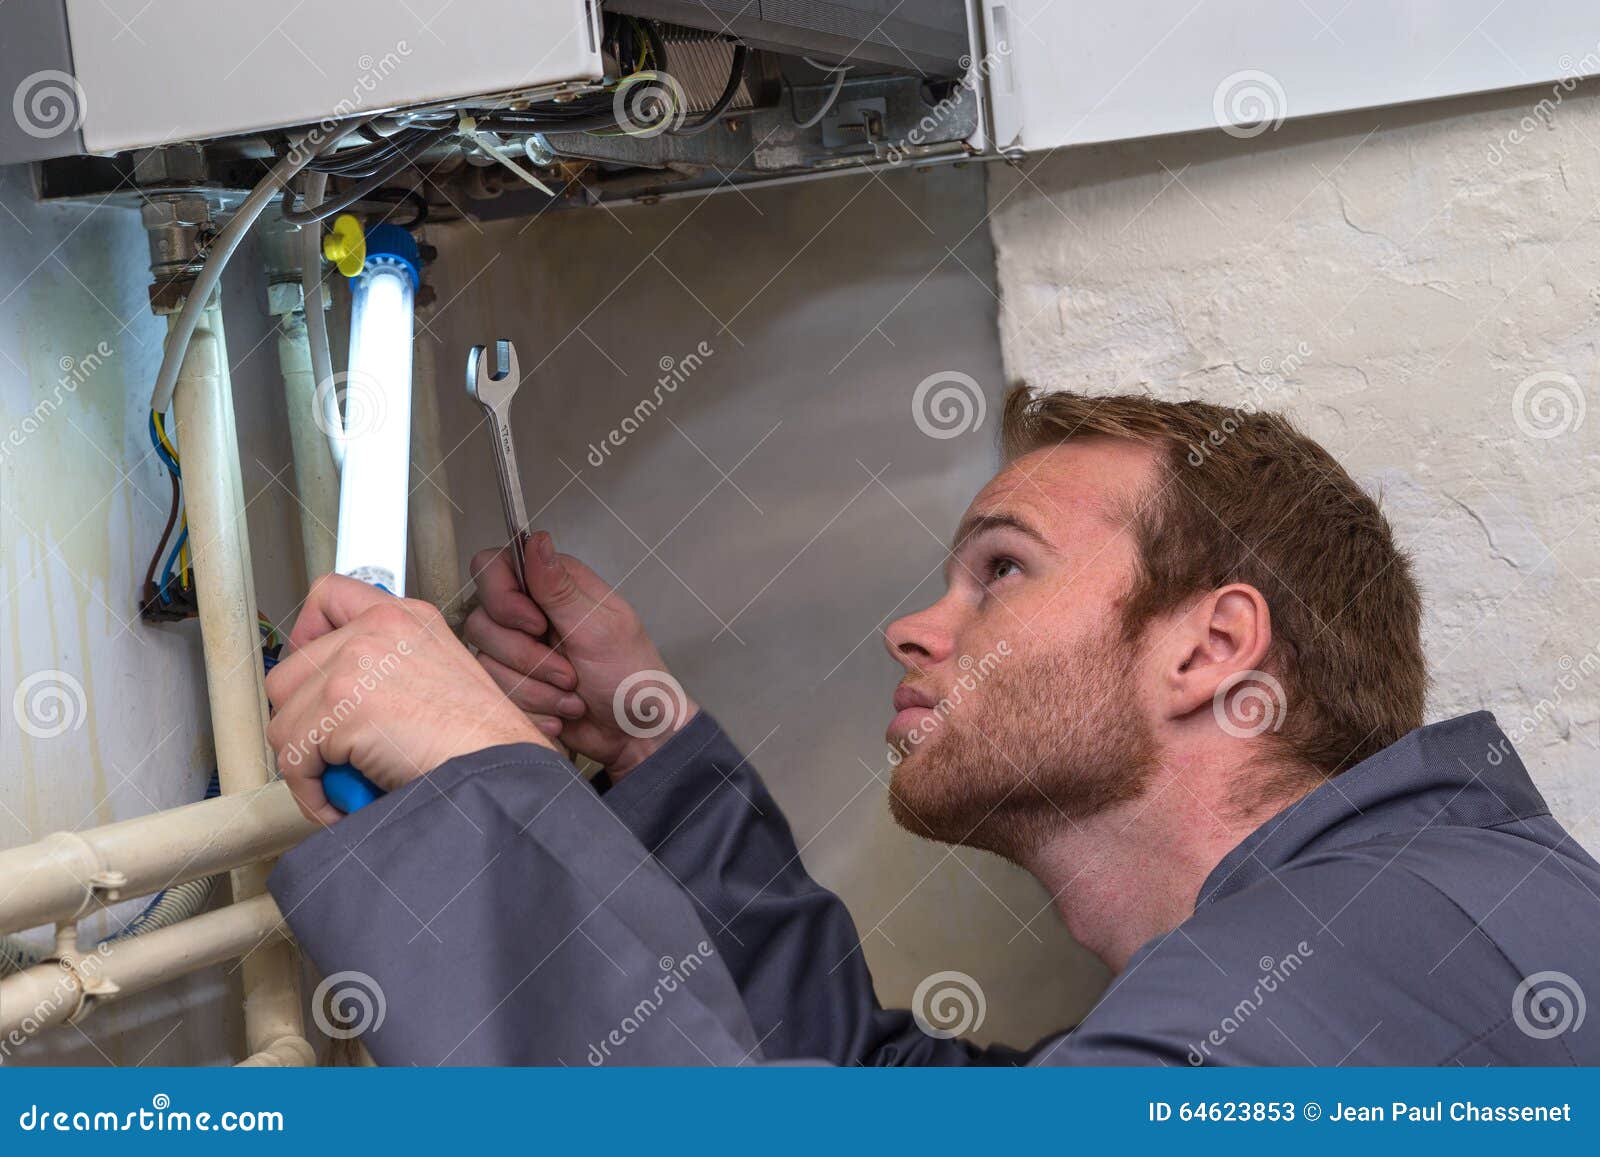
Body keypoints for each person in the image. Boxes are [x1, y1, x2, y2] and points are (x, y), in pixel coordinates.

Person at [264, 387, 1600, 1066]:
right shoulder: (1398, 917)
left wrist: (475, 792)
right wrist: (644, 740)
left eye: (1000, 569)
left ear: (1212, 646)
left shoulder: (1323, 980)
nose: (916, 626)